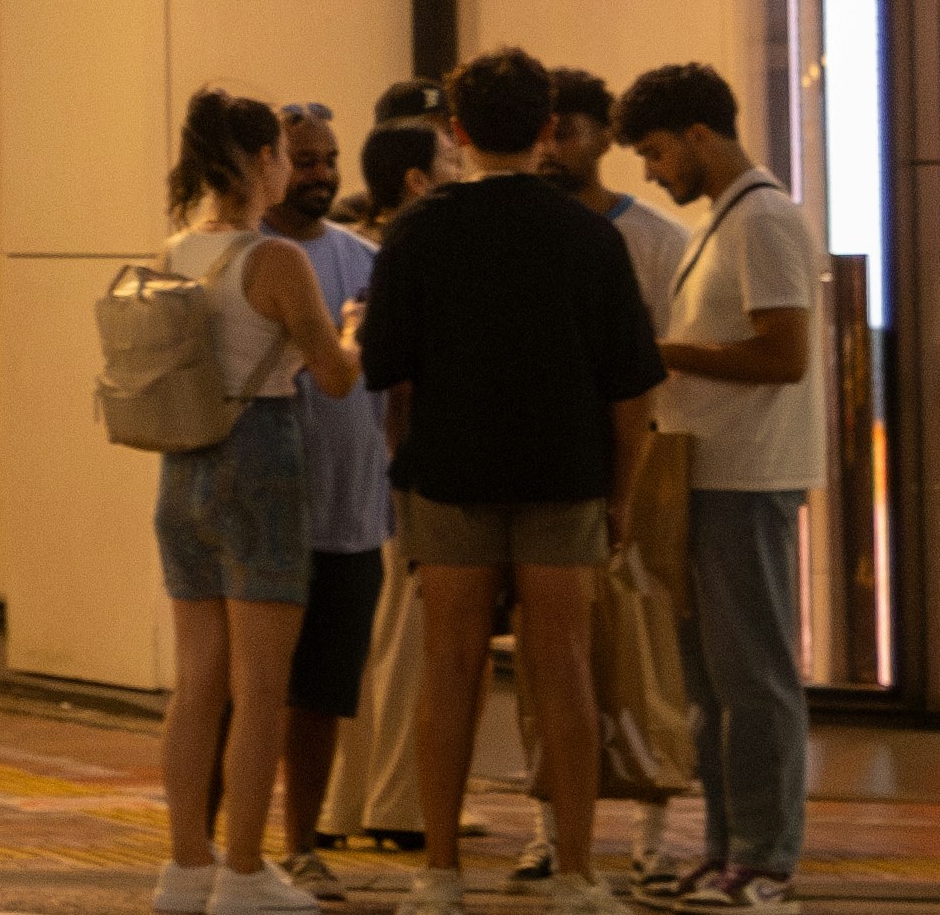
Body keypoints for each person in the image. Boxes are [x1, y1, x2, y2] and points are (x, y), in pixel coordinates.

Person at [358, 48, 659, 915]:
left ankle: (441, 873)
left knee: (448, 666)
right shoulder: (589, 235)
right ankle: (575, 875)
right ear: (546, 130)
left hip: (448, 474)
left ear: (457, 131)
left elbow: (386, 369)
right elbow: (631, 384)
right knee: (562, 665)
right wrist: (625, 491)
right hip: (566, 475)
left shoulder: (419, 228)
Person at [141, 92, 364, 915]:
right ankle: (244, 871)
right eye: (280, 153)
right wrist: (354, 331)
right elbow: (335, 378)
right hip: (262, 462)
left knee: (197, 679)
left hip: (183, 466)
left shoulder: (176, 252)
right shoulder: (274, 261)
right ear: (257, 162)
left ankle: (185, 866)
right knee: (263, 682)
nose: (289, 166)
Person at [613, 64, 815, 912]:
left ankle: (766, 861)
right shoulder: (723, 222)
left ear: (700, 135)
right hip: (707, 475)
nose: (654, 173)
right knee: (709, 686)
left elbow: (786, 356)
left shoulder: (763, 219)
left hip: (748, 479)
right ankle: (727, 848)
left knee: (755, 679)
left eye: (658, 153)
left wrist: (669, 353)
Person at [531, 68, 692, 891]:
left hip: (642, 458)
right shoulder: (522, 229)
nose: (554, 148)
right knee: (549, 652)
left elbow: (664, 365)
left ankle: (655, 828)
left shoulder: (656, 239)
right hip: (550, 466)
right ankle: (552, 825)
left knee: (647, 643)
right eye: (544, 131)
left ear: (602, 137)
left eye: (570, 131)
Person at [267, 107, 389, 889]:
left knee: (321, 697)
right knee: (242, 693)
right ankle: (215, 844)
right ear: (271, 166)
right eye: (304, 160)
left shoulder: (369, 261)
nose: (320, 173)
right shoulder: (250, 259)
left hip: (352, 515)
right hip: (268, 514)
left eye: (330, 159)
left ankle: (300, 843)